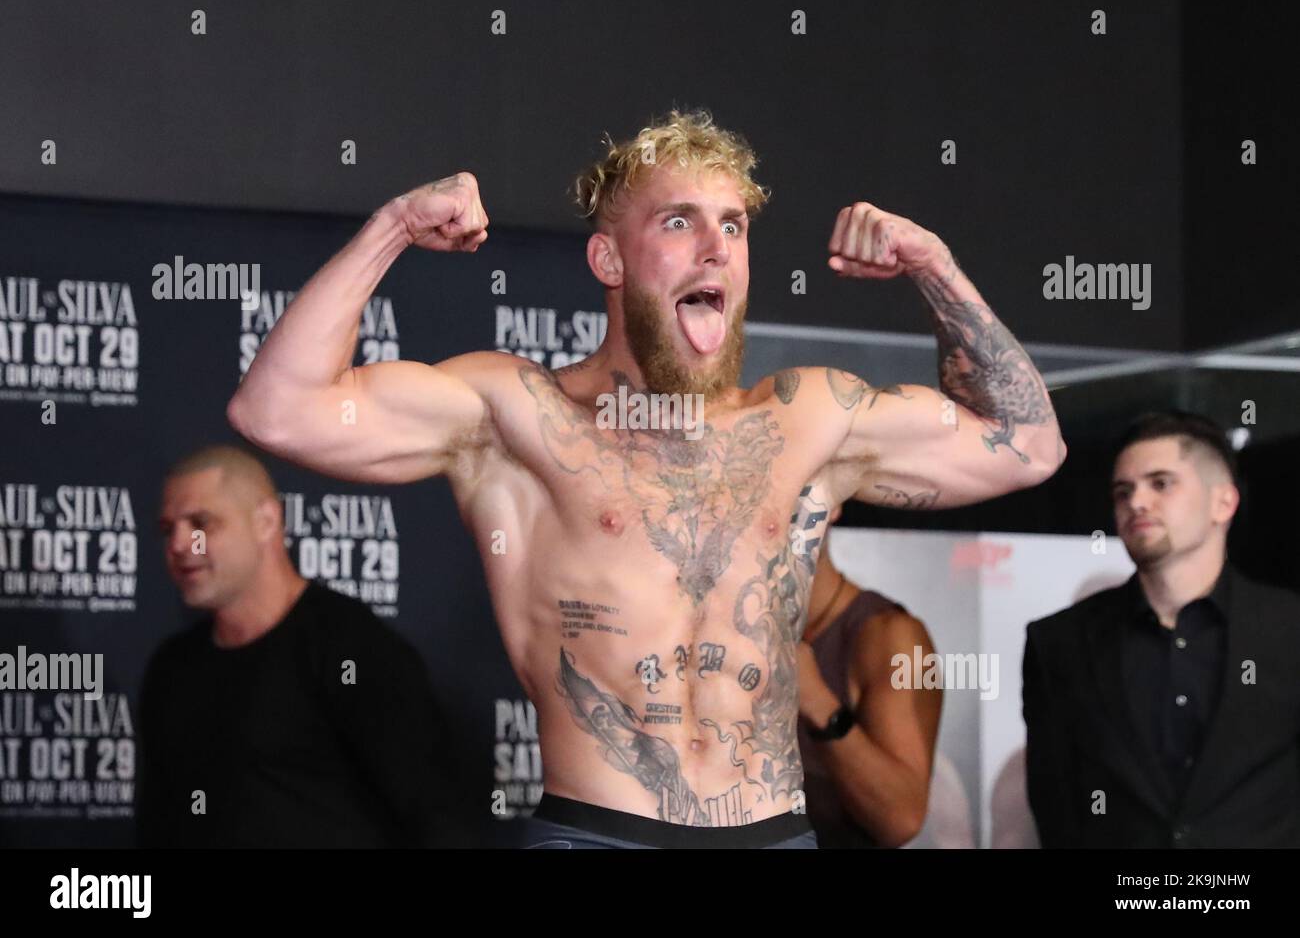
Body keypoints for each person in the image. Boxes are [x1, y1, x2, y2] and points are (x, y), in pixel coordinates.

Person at [228, 109, 1066, 848]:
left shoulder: (808, 420)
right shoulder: (520, 418)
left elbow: (1030, 444)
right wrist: (395, 226)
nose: (717, 248)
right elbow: (278, 411)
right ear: (609, 258)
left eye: (734, 227)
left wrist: (933, 263)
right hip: (601, 833)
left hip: (776, 833)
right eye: (680, 222)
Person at [137, 445, 454, 847]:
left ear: (266, 521)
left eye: (202, 523)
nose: (180, 544)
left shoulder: (351, 647)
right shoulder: (172, 669)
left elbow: (434, 815)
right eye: (169, 529)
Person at [1023, 410, 1300, 847]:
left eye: (1161, 483)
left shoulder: (1289, 630)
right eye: (1123, 491)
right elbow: (1056, 801)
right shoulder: (1059, 643)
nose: (1136, 502)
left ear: (1222, 503)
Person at [796, 506, 941, 848]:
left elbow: (901, 819)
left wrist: (816, 700)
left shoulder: (891, 637)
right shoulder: (720, 630)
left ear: (829, 506)